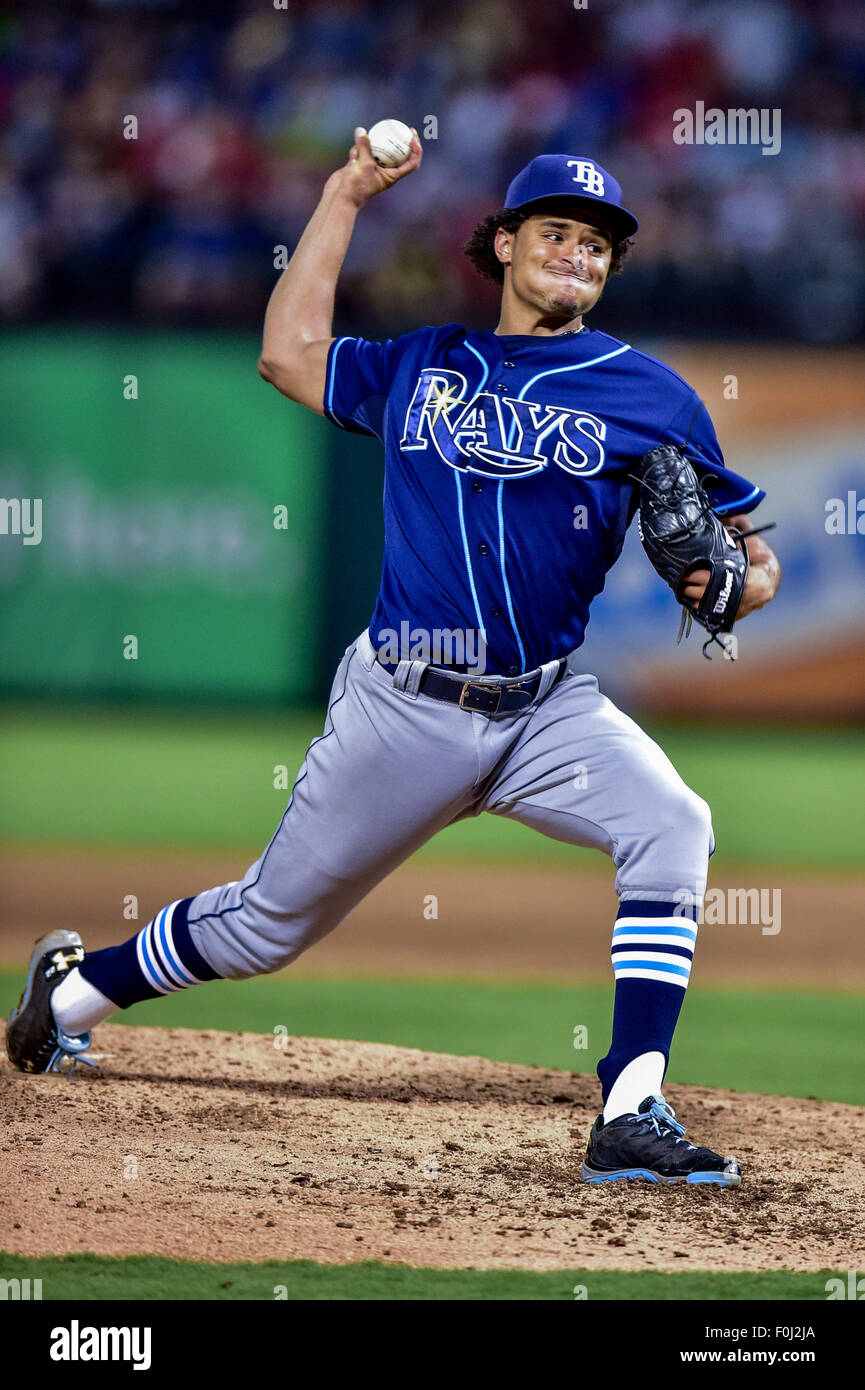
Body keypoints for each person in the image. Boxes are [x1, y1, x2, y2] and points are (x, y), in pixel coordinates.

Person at [7, 131, 781, 1185]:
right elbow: (286, 354)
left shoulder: (649, 396)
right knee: (265, 928)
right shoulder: (421, 365)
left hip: (546, 708)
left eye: (598, 244)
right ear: (503, 244)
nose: (578, 254)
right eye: (556, 230)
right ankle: (67, 996)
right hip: (404, 704)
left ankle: (631, 1102)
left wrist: (727, 578)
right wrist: (342, 196)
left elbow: (750, 564)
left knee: (673, 820)